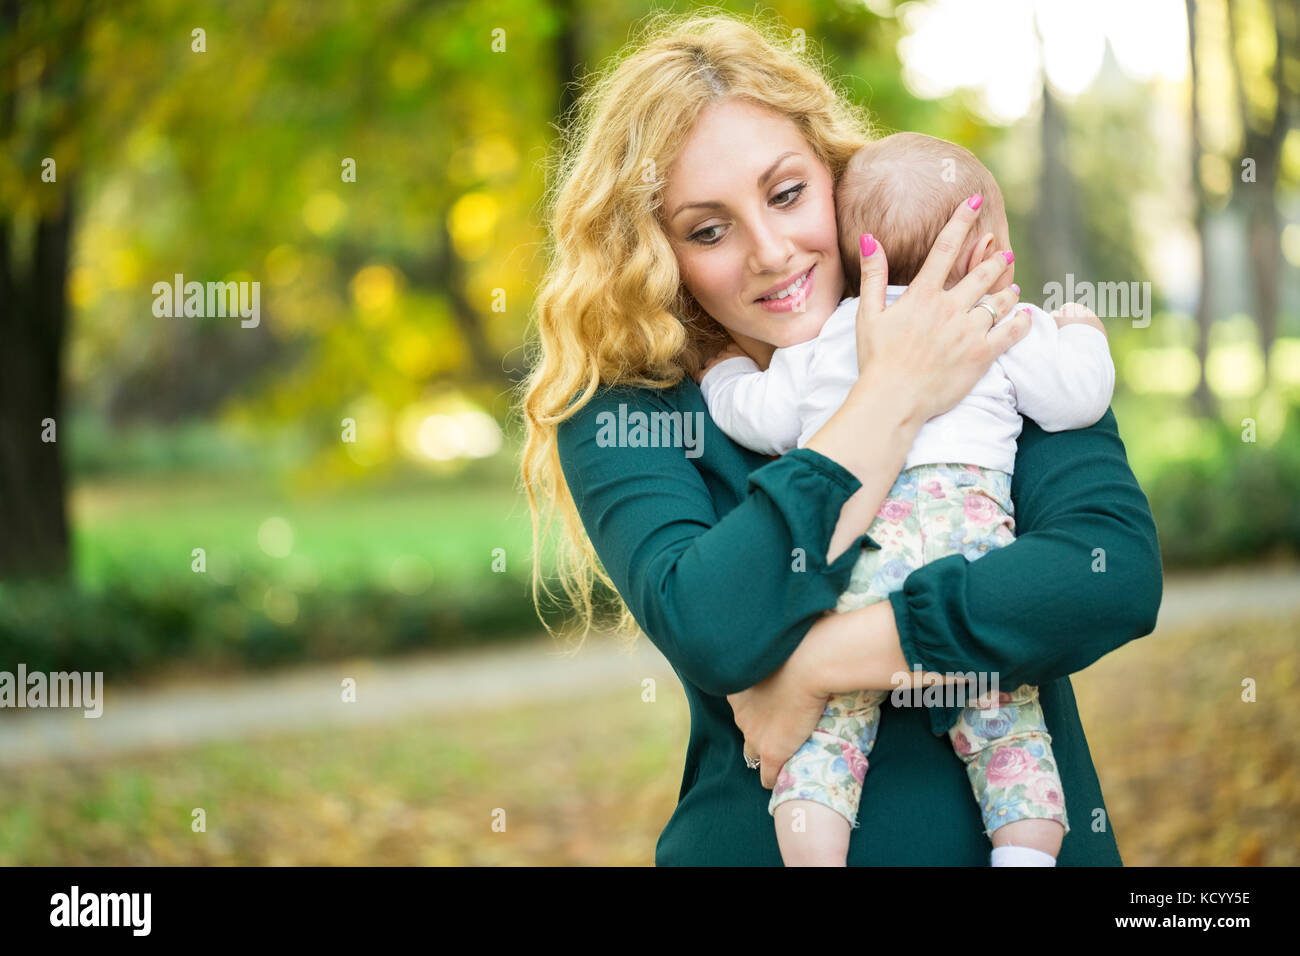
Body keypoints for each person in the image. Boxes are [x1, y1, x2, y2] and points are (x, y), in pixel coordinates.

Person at [519, 12, 1162, 866]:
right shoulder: (629, 413)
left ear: (834, 172)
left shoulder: (982, 328)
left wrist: (819, 665)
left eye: (787, 194)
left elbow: (1108, 575)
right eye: (709, 230)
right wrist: (889, 395)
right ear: (654, 251)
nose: (773, 252)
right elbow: (712, 624)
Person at [699, 131, 1116, 866]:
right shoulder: (1004, 327)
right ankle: (1022, 855)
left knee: (825, 736)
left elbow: (754, 416)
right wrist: (1080, 332)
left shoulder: (825, 336)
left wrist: (721, 374)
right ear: (985, 253)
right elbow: (1077, 401)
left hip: (855, 566)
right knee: (1004, 723)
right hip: (971, 558)